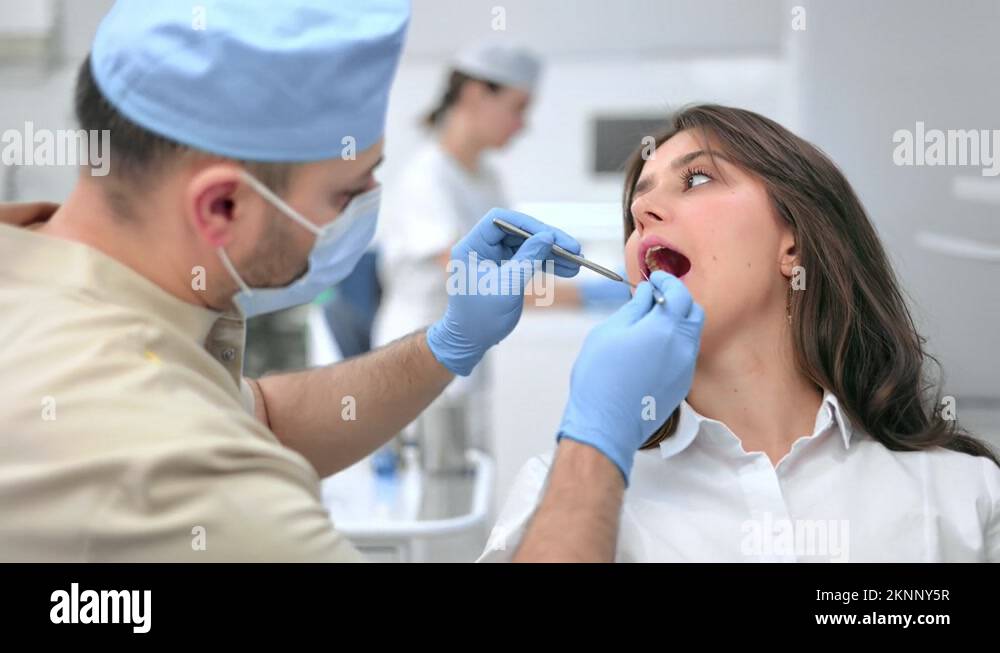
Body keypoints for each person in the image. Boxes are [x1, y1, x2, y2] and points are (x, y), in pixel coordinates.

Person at [0, 0, 701, 562]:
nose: (366, 211)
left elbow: (262, 416)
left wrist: (446, 344)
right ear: (221, 207)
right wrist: (598, 441)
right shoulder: (177, 471)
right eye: (344, 195)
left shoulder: (40, 269)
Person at [481, 104, 1000, 563]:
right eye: (637, 205)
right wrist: (593, 445)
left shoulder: (966, 496)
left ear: (793, 245)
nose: (641, 211)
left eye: (698, 179)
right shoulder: (559, 494)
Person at [372, 43, 542, 454]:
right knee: (435, 496)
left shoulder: (487, 179)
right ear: (474, 94)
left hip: (466, 364)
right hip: (416, 357)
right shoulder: (426, 179)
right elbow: (480, 279)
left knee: (468, 486)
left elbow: (514, 270)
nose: (523, 125)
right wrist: (589, 293)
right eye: (518, 107)